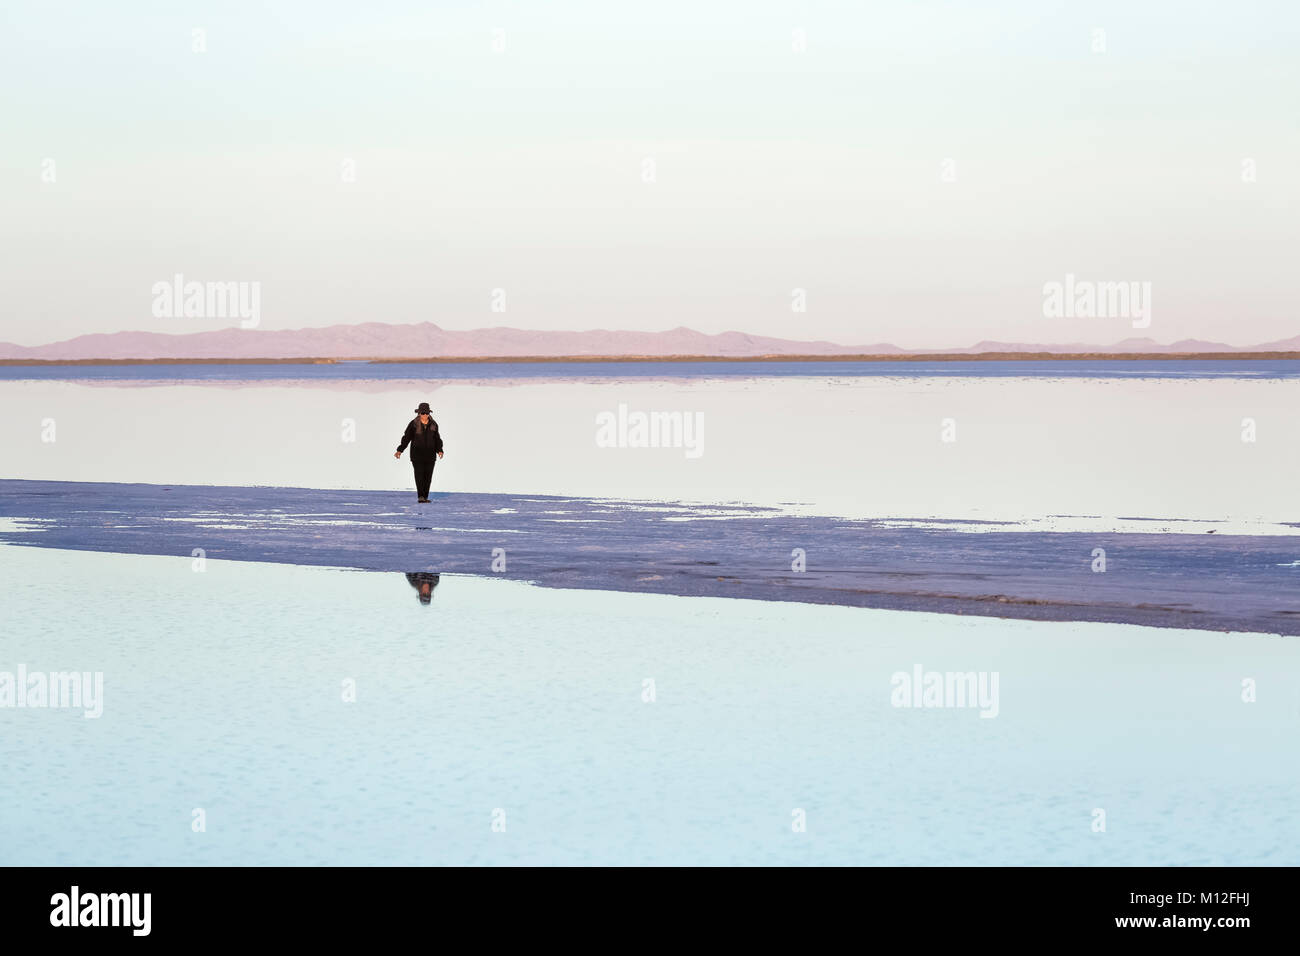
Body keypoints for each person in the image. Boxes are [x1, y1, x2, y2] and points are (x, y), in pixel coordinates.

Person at [394, 402, 444, 502]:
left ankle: (425, 497)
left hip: (430, 455)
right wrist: (400, 450)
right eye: (423, 413)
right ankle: (420, 496)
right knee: (419, 476)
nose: (425, 415)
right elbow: (406, 438)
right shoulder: (413, 424)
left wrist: (439, 450)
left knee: (428, 477)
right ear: (419, 413)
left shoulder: (434, 425)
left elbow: (437, 439)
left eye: (426, 413)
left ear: (429, 413)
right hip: (417, 455)